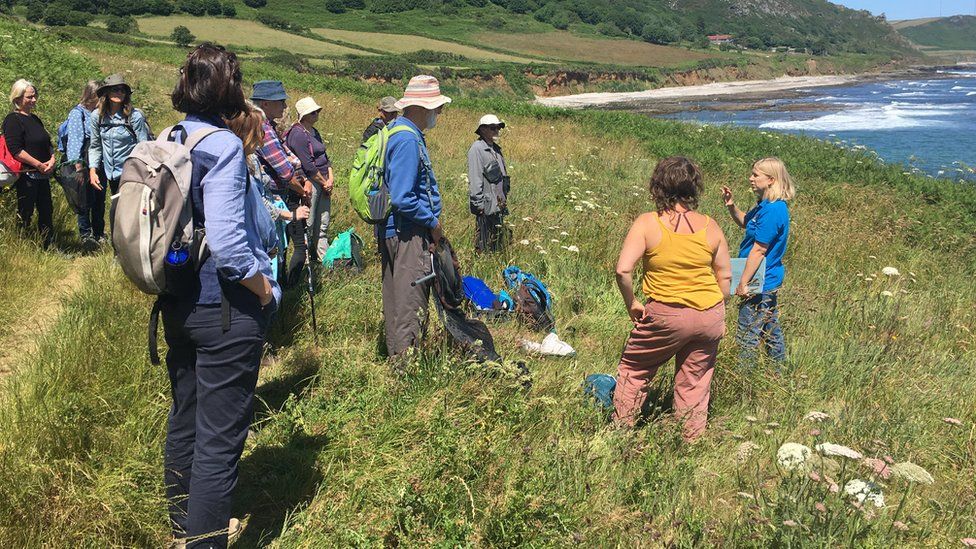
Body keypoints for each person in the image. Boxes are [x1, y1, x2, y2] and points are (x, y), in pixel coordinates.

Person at [161, 43, 280, 549]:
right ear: (228, 88)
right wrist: (264, 289)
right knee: (219, 441)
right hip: (225, 310)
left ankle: (182, 525)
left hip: (176, 301)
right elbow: (231, 247)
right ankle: (205, 541)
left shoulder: (167, 137)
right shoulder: (224, 146)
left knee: (185, 416)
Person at [612, 156, 731, 441]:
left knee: (635, 369)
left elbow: (623, 270)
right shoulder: (711, 226)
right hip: (710, 313)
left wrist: (632, 303)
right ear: (694, 188)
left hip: (667, 312)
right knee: (695, 382)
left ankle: (621, 434)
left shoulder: (648, 223)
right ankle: (689, 442)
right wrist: (716, 306)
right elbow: (725, 276)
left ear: (659, 186)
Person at [381, 75, 450, 359]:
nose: (439, 114)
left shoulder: (397, 131)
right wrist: (433, 223)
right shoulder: (408, 140)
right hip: (408, 233)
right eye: (437, 108)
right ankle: (405, 369)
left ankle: (396, 357)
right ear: (422, 107)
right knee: (410, 303)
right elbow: (402, 197)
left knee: (396, 300)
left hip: (396, 231)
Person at [224, 102, 310, 282]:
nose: (263, 137)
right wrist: (290, 215)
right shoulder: (239, 163)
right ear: (246, 133)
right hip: (256, 239)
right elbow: (258, 203)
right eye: (259, 131)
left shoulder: (251, 158)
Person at [721, 157, 795, 367]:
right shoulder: (765, 205)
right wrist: (731, 206)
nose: (751, 178)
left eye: (756, 175)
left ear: (771, 180)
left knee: (747, 334)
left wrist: (743, 282)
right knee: (769, 328)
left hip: (760, 280)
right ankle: (778, 370)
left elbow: (759, 250)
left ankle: (746, 380)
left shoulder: (773, 210)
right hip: (763, 278)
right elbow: (746, 222)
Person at [250, 80, 310, 286]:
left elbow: (290, 158)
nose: (284, 107)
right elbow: (285, 171)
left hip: (276, 195)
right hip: (272, 197)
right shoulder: (262, 128)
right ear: (266, 104)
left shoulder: (268, 126)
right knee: (275, 249)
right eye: (280, 102)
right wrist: (303, 190)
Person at [87, 74, 151, 237]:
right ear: (106, 93)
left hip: (129, 171)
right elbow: (95, 145)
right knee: (107, 206)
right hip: (108, 170)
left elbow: (143, 146)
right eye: (115, 90)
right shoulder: (97, 116)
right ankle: (107, 241)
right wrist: (93, 170)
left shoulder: (134, 117)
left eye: (122, 90)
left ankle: (127, 244)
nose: (119, 93)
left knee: (126, 208)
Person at [3, 79, 55, 248]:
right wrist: (38, 164)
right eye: (30, 97)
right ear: (18, 99)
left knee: (46, 211)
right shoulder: (13, 120)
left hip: (43, 174)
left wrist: (52, 160)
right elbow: (15, 149)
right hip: (27, 175)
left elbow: (48, 143)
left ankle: (47, 245)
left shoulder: (35, 119)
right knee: (26, 212)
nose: (34, 100)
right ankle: (23, 245)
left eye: (35, 96)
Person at [286, 96, 333, 260]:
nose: (316, 114)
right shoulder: (298, 134)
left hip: (324, 180)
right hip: (311, 182)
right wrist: (324, 182)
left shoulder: (314, 131)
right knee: (310, 221)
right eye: (312, 112)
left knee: (323, 220)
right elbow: (308, 165)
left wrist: (330, 179)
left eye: (317, 111)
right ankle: (305, 258)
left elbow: (326, 158)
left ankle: (323, 256)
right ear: (303, 115)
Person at [62, 80, 100, 249]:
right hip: (81, 163)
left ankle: (97, 233)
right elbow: (75, 141)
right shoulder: (78, 114)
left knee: (96, 198)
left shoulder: (95, 113)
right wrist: (77, 168)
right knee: (83, 199)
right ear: (92, 96)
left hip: (93, 162)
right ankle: (86, 235)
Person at [467, 114, 509, 253]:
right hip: (486, 206)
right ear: (483, 129)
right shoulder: (477, 149)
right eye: (492, 128)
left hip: (499, 204)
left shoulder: (496, 149)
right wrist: (478, 205)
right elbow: (475, 179)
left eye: (498, 127)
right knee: (483, 244)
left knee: (497, 243)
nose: (496, 130)